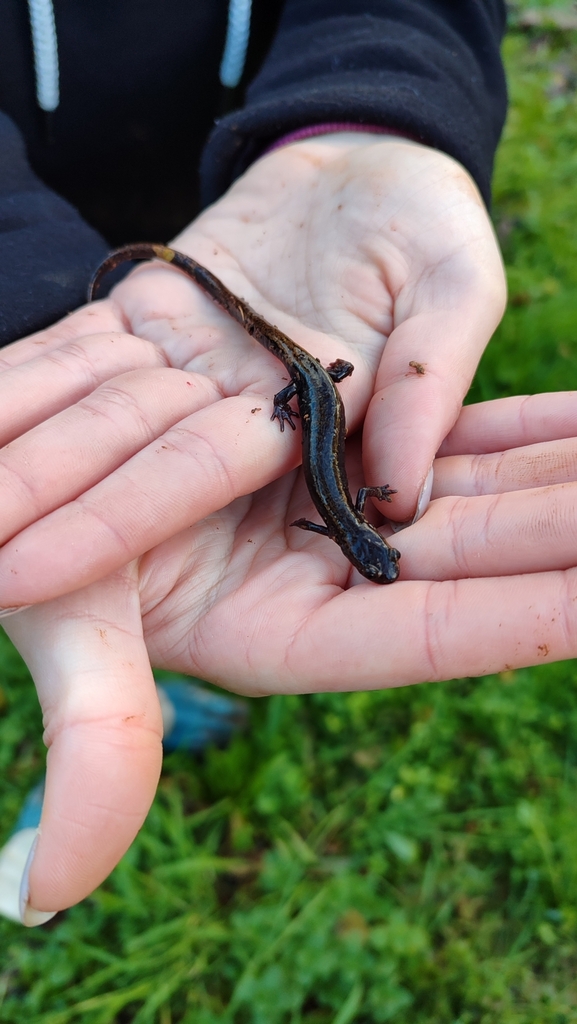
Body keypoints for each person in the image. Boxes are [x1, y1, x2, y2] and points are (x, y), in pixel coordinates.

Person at [3, 0, 577, 926]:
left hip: (263, 266)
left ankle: (172, 687)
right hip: (217, 321)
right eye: (378, 557)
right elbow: (327, 508)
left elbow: (328, 506)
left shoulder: (341, 521)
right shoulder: (340, 524)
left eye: (376, 559)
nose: (378, 561)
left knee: (167, 539)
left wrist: (377, 112)